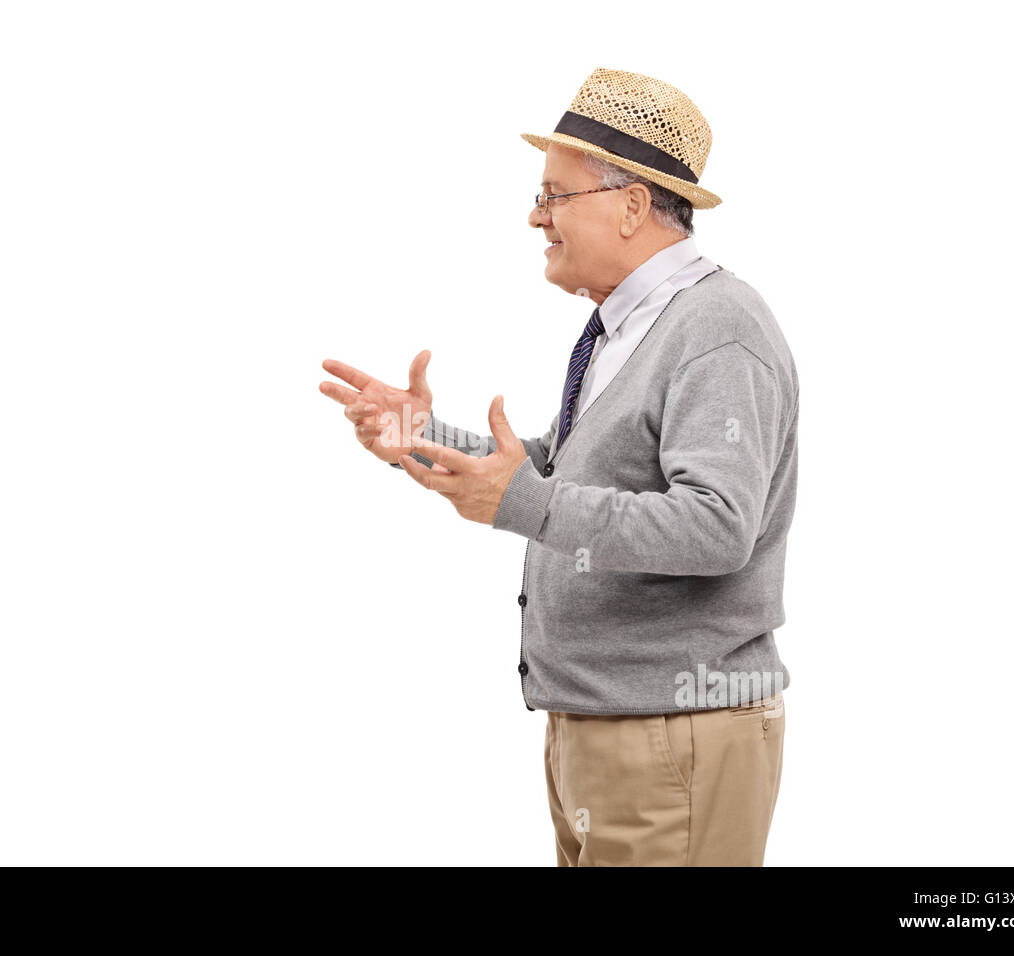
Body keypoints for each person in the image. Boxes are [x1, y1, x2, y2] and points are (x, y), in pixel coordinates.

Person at [319, 68, 798, 866]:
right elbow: (555, 472)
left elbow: (718, 527)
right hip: (605, 729)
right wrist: (420, 437)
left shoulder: (717, 331)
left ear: (633, 204)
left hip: (670, 736)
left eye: (554, 195)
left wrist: (527, 505)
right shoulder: (627, 328)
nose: (535, 217)